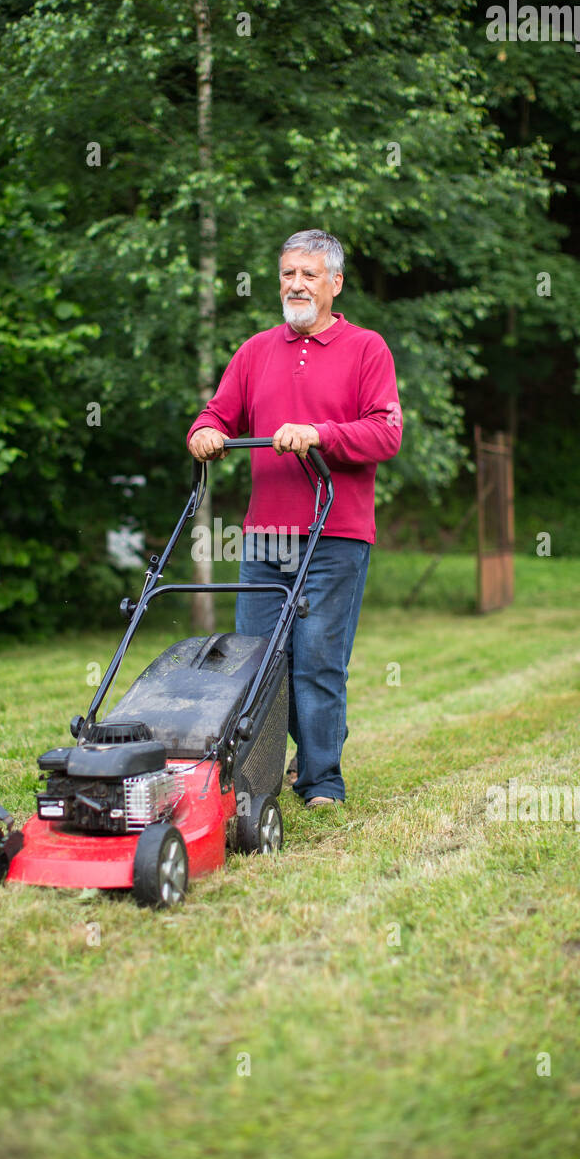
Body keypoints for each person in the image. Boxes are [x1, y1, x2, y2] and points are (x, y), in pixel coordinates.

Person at [186, 229, 402, 808]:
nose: (296, 284)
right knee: (256, 664)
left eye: (309, 274)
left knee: (316, 663)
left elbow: (386, 432)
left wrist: (319, 435)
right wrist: (205, 432)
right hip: (267, 536)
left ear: (334, 283)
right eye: (288, 274)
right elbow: (216, 412)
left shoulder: (367, 349)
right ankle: (255, 781)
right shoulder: (256, 350)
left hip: (336, 533)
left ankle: (322, 780)